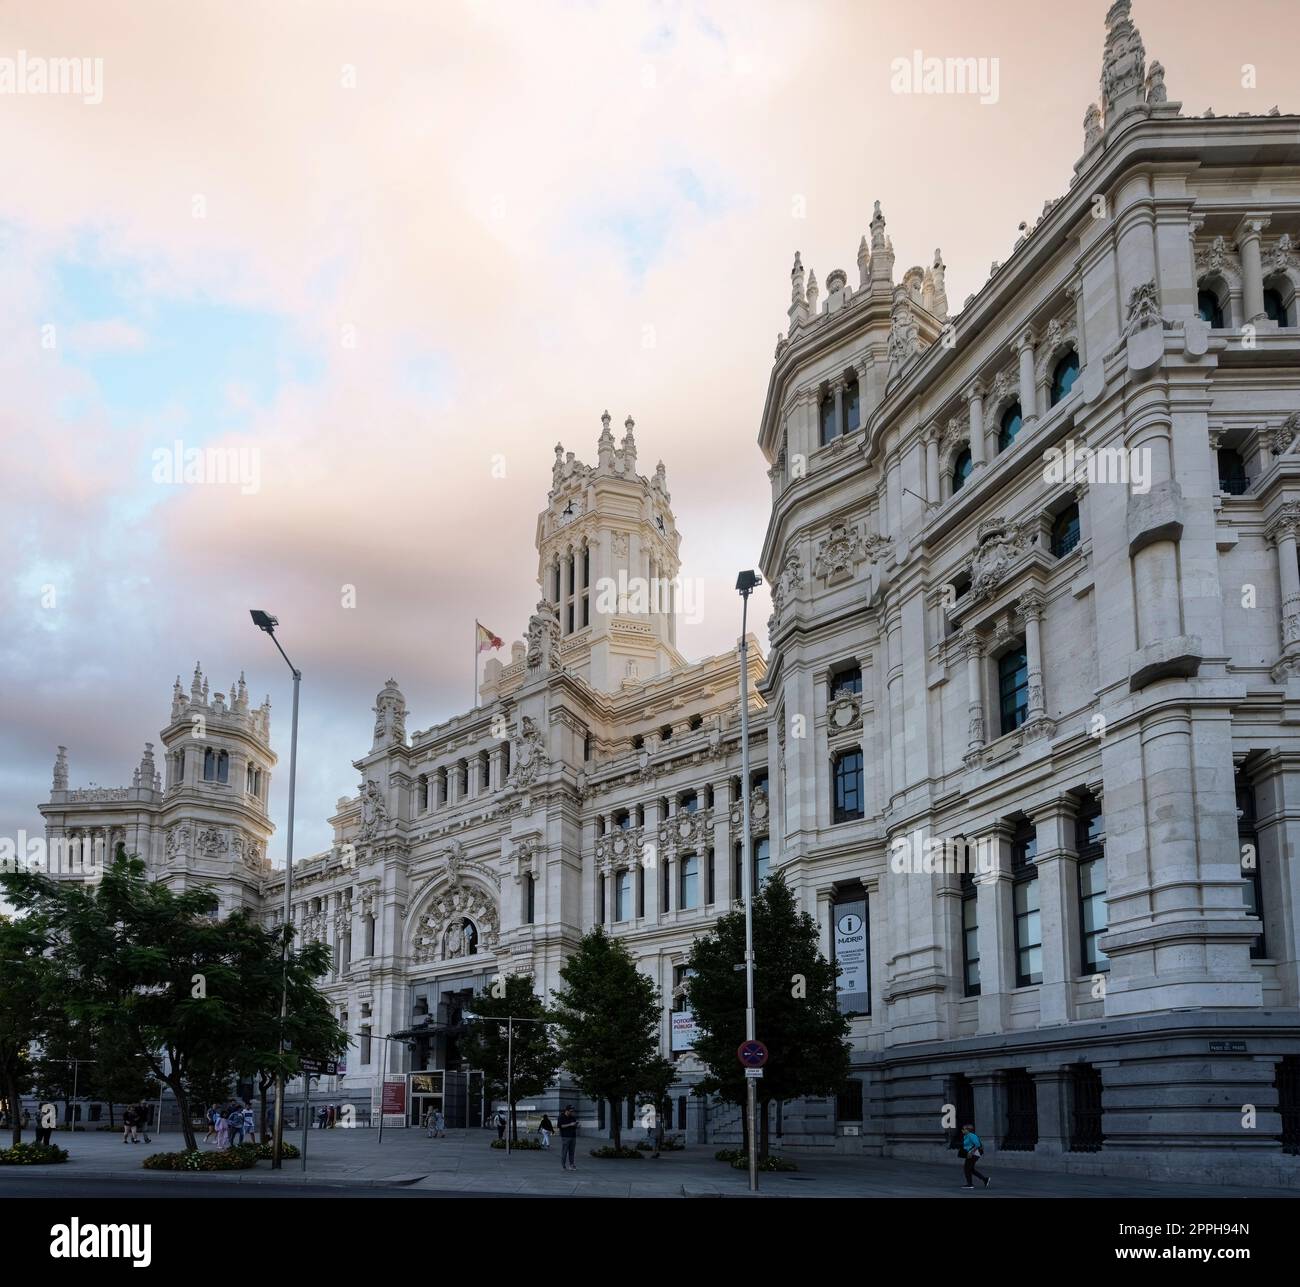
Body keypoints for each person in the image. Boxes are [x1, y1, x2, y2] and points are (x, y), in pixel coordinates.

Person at [960, 1123, 991, 1190]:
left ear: (968, 1130)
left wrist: (971, 1152)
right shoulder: (966, 1136)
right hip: (971, 1154)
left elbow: (977, 1144)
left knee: (967, 1169)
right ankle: (985, 1179)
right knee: (970, 1169)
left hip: (974, 1154)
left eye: (963, 1129)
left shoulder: (971, 1135)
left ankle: (970, 1184)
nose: (962, 1130)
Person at [557, 1105, 578, 1171]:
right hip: (565, 1137)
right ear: (567, 1110)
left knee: (572, 1152)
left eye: (572, 1111)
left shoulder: (573, 1117)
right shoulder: (561, 1117)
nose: (572, 1112)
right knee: (564, 1152)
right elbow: (560, 1126)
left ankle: (571, 1165)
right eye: (571, 1111)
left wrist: (576, 1125)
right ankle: (563, 1165)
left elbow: (574, 1126)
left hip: (573, 1136)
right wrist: (570, 1124)